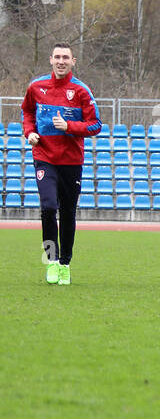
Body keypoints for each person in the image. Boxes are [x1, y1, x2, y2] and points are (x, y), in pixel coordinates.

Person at [22, 42, 101, 285]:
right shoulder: (36, 87)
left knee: (67, 212)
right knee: (47, 207)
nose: (61, 61)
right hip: (44, 157)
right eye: (57, 56)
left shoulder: (81, 91)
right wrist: (30, 133)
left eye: (65, 57)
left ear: (73, 61)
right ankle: (52, 261)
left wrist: (70, 127)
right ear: (50, 59)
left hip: (71, 161)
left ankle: (65, 263)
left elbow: (95, 125)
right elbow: (26, 113)